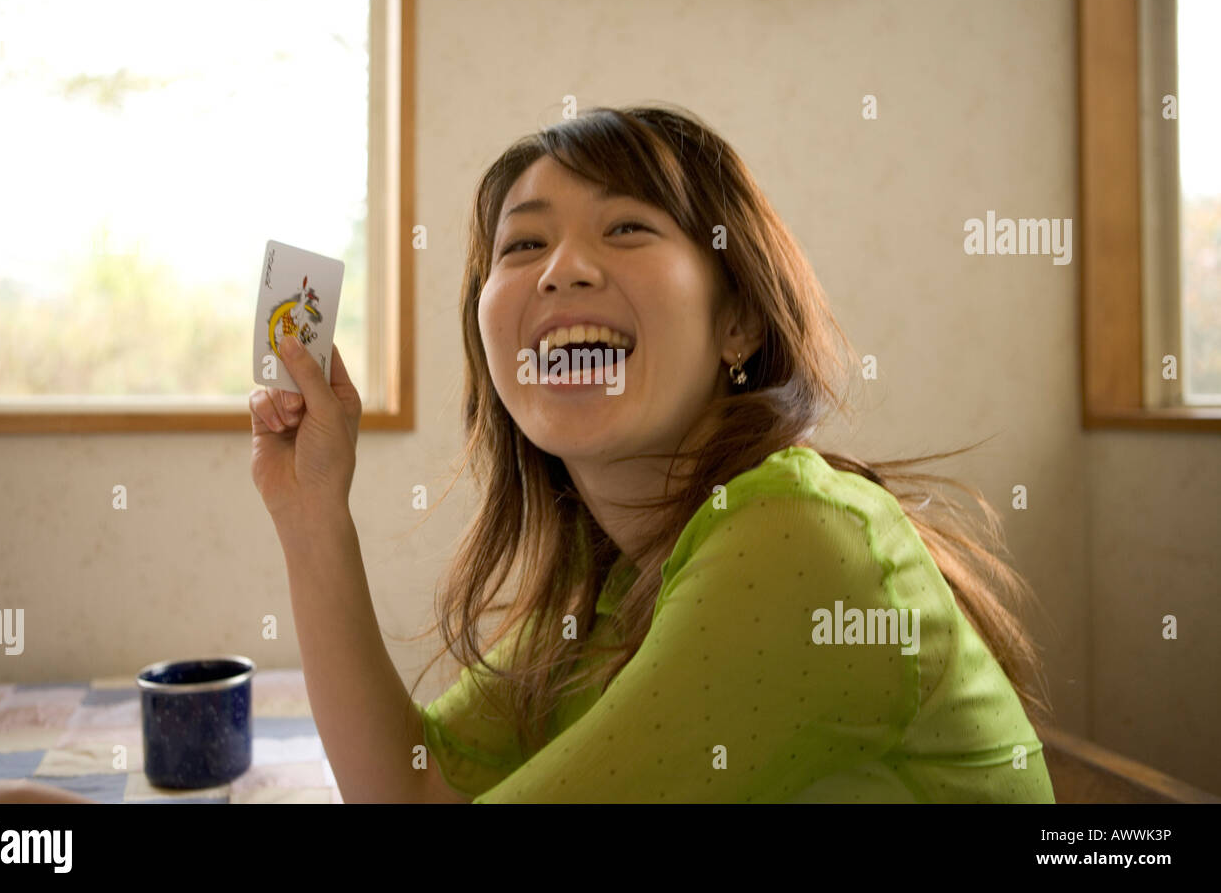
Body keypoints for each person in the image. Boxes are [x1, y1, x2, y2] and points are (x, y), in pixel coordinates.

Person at [254, 103, 1056, 803]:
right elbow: (415, 788)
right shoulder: (608, 574)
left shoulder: (795, 544)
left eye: (627, 227)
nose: (562, 271)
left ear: (737, 319)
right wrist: (312, 515)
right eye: (523, 245)